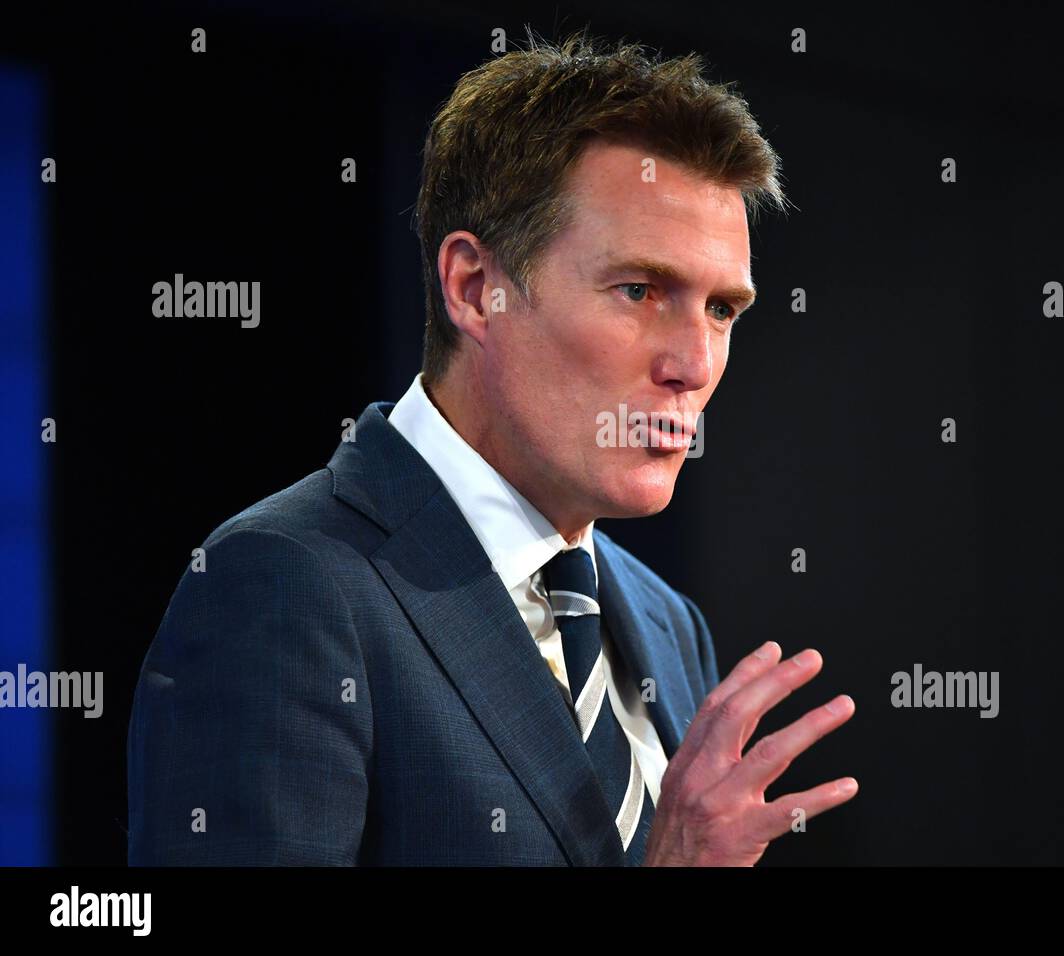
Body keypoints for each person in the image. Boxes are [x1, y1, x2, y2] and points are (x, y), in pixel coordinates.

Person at [127, 31, 857, 867]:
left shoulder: (666, 620)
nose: (692, 364)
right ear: (478, 290)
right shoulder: (285, 587)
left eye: (723, 310)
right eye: (639, 290)